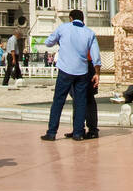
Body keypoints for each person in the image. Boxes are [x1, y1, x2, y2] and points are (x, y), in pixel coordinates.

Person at [40, 10, 101, 142]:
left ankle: (51, 133)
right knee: (80, 102)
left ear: (71, 18)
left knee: (58, 101)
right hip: (82, 72)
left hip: (65, 70)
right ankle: (78, 133)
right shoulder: (89, 33)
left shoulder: (63, 28)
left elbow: (48, 42)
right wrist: (97, 73)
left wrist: (60, 42)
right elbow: (96, 56)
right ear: (83, 19)